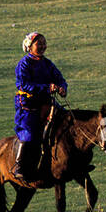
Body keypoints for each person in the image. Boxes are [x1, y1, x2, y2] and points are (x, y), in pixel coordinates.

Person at [12, 31, 67, 181]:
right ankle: (19, 166)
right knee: (29, 132)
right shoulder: (24, 64)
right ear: (30, 47)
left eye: (44, 43)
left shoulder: (47, 63)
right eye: (39, 43)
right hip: (28, 103)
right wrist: (47, 88)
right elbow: (23, 84)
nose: (42, 46)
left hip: (46, 102)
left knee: (66, 121)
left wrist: (62, 88)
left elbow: (59, 78)